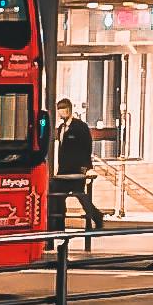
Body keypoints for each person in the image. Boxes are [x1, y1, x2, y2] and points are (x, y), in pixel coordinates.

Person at [50, 101, 103, 236]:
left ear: (69, 109)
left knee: (80, 194)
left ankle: (96, 216)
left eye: (63, 109)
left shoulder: (80, 127)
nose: (61, 112)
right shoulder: (61, 127)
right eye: (59, 109)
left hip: (76, 169)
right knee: (57, 196)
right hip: (63, 171)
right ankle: (59, 226)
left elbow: (87, 147)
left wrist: (85, 167)